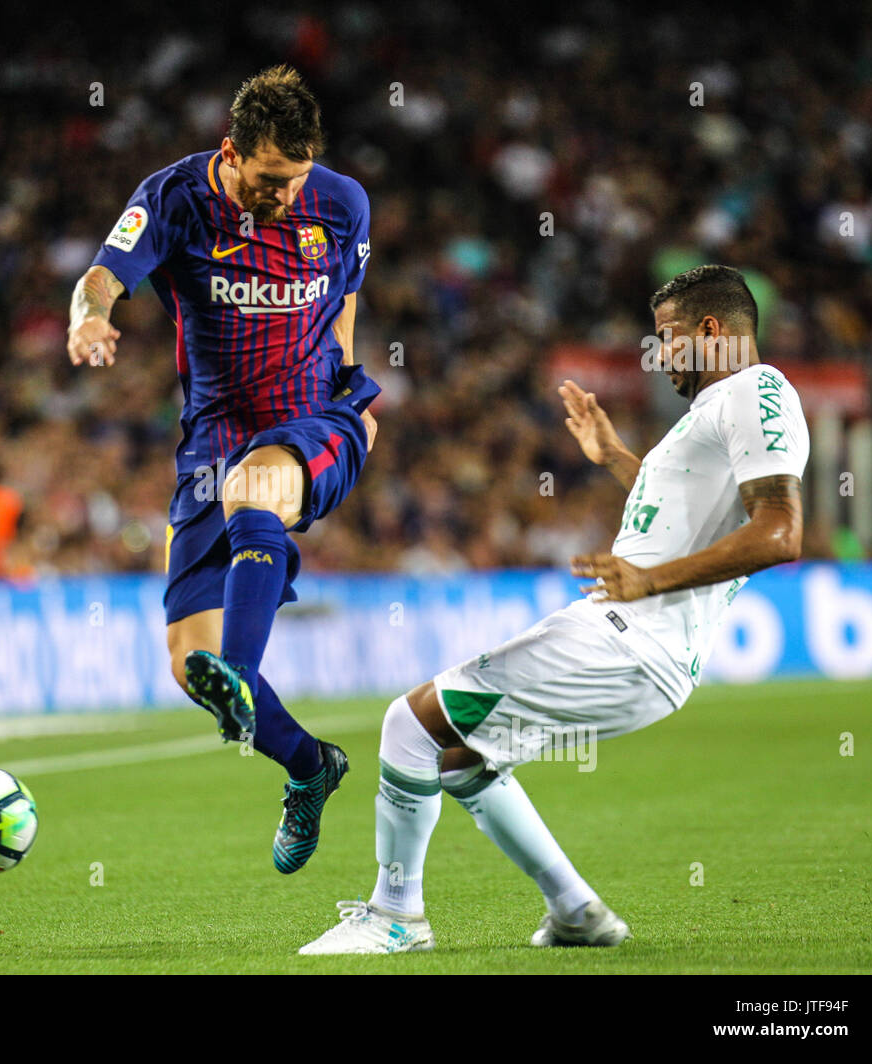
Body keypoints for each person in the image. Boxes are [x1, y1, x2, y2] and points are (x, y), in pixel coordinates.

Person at [300, 264, 810, 953]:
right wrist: (617, 459)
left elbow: (780, 532)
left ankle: (396, 915)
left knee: (409, 724)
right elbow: (689, 512)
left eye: (667, 338)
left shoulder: (756, 390)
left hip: (629, 639)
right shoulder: (718, 410)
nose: (659, 356)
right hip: (637, 645)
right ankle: (576, 911)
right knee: (458, 757)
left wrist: (648, 583)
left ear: (712, 332)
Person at [66, 65, 378, 874]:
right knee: (185, 662)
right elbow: (103, 275)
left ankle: (239, 676)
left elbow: (343, 301)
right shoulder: (174, 199)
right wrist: (90, 321)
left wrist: (352, 393)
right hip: (213, 441)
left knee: (256, 495)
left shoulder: (343, 204)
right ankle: (311, 768)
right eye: (269, 180)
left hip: (314, 421)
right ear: (231, 152)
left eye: (295, 180)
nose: (283, 196)